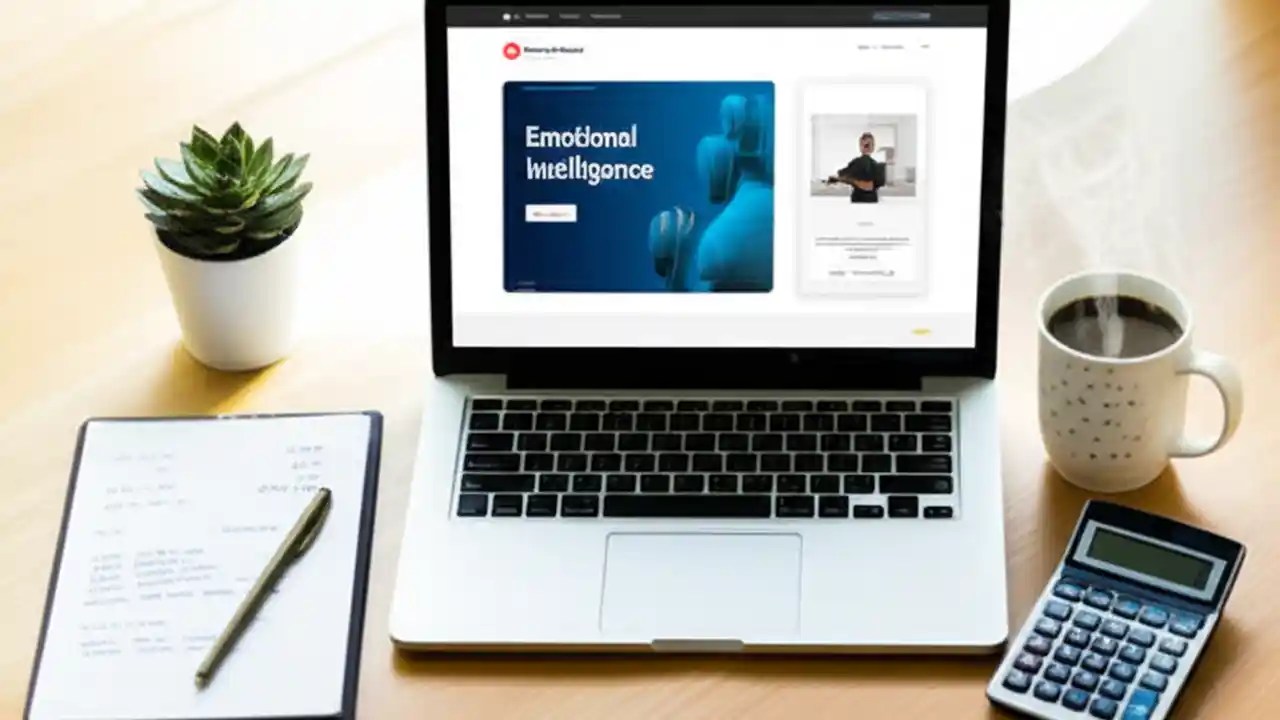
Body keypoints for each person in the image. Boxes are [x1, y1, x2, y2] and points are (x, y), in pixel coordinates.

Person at [826, 132, 883, 203]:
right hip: (857, 200)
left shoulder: (875, 166)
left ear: (873, 146)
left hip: (869, 201)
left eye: (868, 145)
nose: (866, 147)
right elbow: (842, 174)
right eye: (863, 145)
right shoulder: (855, 163)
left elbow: (868, 186)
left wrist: (849, 180)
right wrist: (839, 179)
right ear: (860, 146)